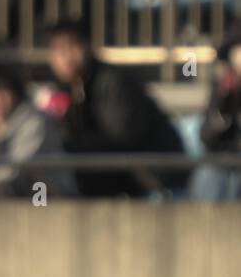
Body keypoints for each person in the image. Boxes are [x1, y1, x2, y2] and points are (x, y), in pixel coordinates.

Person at [46, 20, 186, 197]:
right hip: (115, 172)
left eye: (72, 47)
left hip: (150, 173)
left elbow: (120, 138)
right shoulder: (64, 90)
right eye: (58, 51)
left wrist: (72, 146)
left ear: (88, 47)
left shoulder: (112, 82)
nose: (66, 57)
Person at [0, 68, 76, 198]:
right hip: (10, 190)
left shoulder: (35, 121)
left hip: (49, 191)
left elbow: (18, 167)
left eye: (1, 92)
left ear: (15, 94)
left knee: (3, 188)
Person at [193, 22, 241, 199]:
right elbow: (207, 136)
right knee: (209, 173)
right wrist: (225, 100)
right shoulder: (224, 88)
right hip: (224, 163)